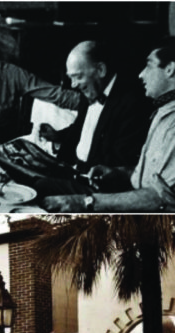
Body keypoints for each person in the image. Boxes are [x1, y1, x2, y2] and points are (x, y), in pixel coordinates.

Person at [41, 39, 175, 212]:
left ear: (170, 69)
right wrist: (121, 172)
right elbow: (151, 176)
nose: (141, 74)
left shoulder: (160, 116)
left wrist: (85, 202)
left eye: (149, 66)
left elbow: (159, 197)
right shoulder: (162, 110)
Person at [36, 40, 153, 190]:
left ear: (100, 70)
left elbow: (119, 163)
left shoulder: (132, 103)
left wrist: (79, 173)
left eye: (77, 76)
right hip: (72, 170)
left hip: (97, 185)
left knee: (40, 187)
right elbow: (82, 129)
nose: (73, 85)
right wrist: (58, 136)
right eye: (70, 77)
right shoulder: (92, 90)